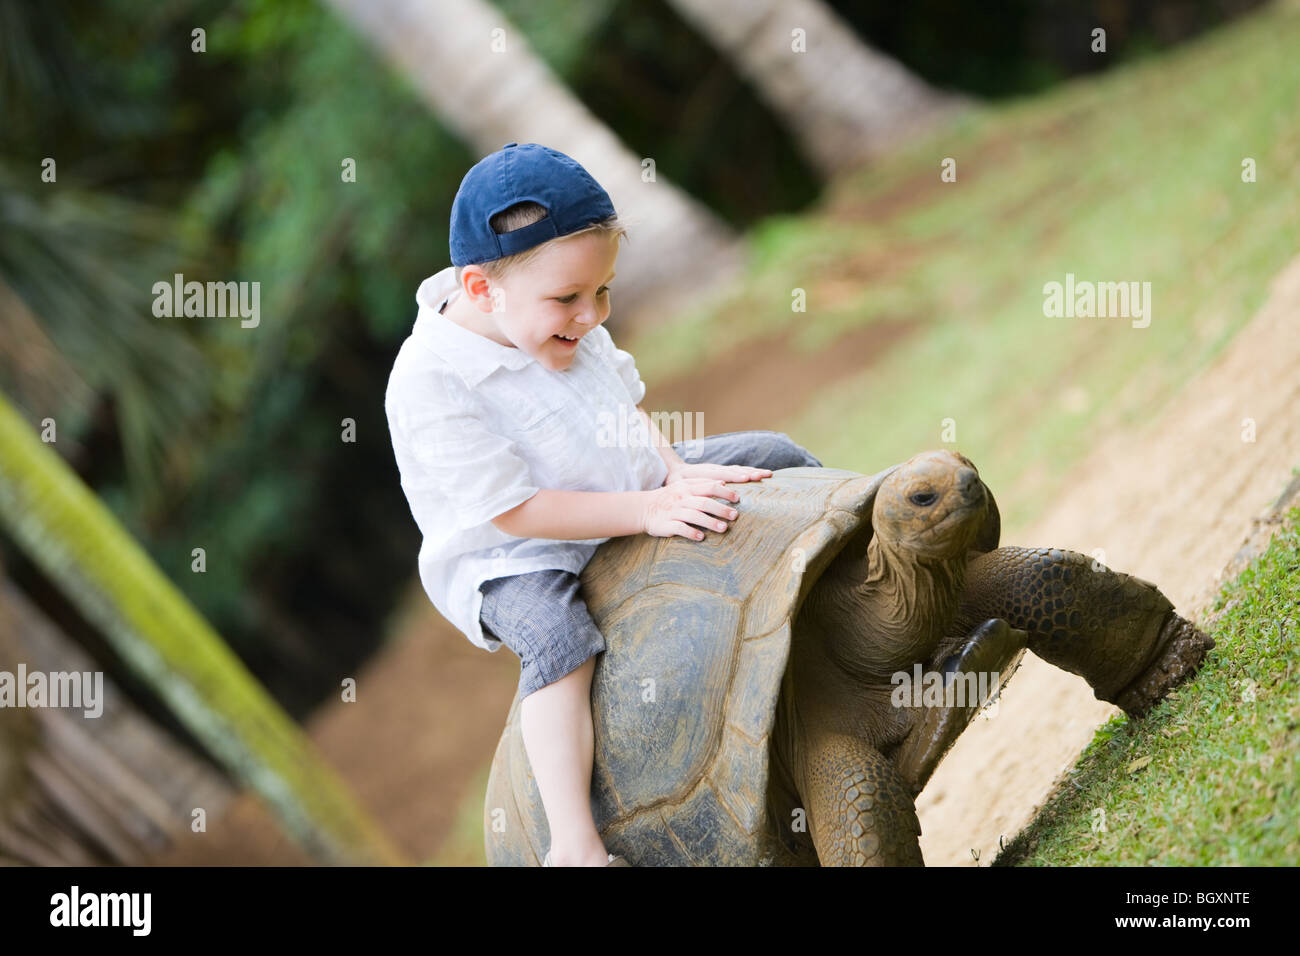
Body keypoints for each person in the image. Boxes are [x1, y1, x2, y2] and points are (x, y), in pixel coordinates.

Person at [384, 142, 822, 866]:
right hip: (514, 552)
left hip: (623, 484)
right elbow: (516, 511)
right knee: (558, 641)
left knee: (768, 455)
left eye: (604, 292)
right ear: (481, 287)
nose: (591, 315)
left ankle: (880, 566)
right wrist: (649, 513)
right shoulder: (431, 382)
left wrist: (676, 475)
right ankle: (575, 843)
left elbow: (625, 409)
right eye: (569, 300)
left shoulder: (565, 311)